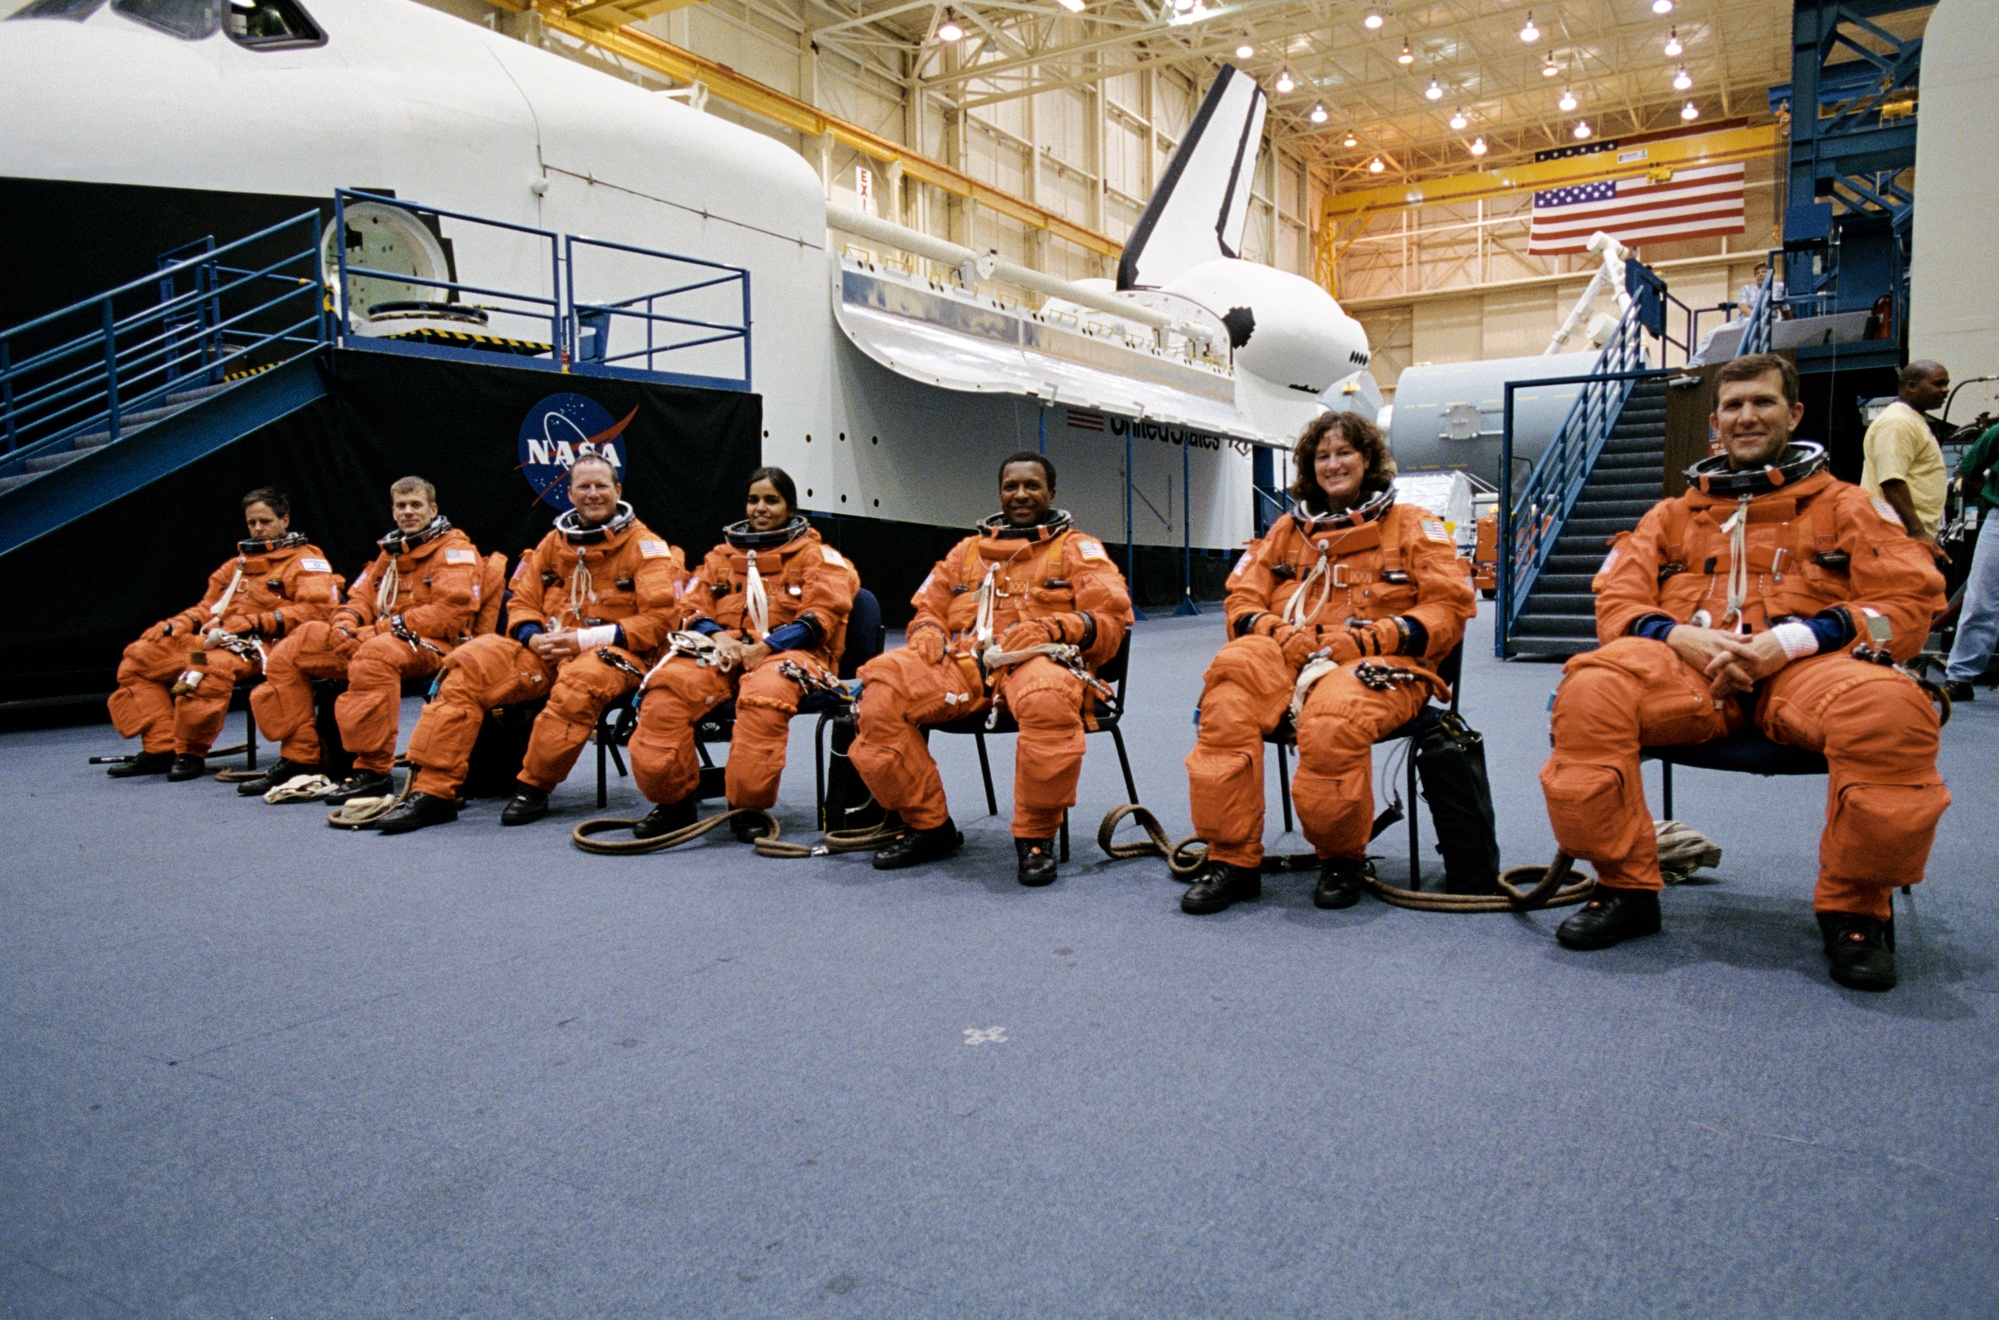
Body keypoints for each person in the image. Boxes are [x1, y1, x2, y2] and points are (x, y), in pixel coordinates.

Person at [1540, 353, 1949, 991]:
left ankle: (1856, 910)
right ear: (1715, 423)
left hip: (1812, 671)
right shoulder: (1670, 516)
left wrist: (1790, 641)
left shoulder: (1850, 507)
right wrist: (1680, 636)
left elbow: (1907, 607)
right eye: (1733, 406)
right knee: (1591, 691)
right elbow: (1616, 605)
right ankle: (1626, 887)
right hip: (1685, 670)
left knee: (1892, 714)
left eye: (1762, 402)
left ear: (1795, 413)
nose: (1747, 416)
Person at [1179, 412, 1475, 915]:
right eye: (1323, 456)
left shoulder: (1412, 526)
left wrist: (1372, 639)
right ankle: (1231, 858)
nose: (1333, 464)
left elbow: (1448, 608)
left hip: (1381, 665)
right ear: (1309, 467)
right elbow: (1240, 603)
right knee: (1227, 695)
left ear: (1368, 460)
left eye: (1344, 453)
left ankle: (1342, 858)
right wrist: (1277, 632)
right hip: (1287, 655)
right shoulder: (1285, 532)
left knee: (1332, 718)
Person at [849, 451, 1132, 886]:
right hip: (963, 665)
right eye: (1011, 486)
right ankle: (929, 827)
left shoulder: (1077, 548)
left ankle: (1036, 838)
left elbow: (1111, 619)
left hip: (1039, 661)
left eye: (1032, 486)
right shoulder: (967, 552)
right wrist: (926, 628)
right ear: (1000, 493)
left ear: (1051, 493)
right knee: (879, 698)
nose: (1020, 494)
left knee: (1046, 701)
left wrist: (1057, 625)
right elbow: (929, 605)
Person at [372, 454, 686, 834]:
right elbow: (520, 600)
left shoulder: (646, 546)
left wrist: (582, 639)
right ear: (569, 493)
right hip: (545, 650)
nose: (592, 494)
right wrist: (531, 636)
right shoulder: (553, 543)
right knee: (466, 665)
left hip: (616, 654)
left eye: (601, 485)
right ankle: (434, 792)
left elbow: (660, 621)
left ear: (617, 491)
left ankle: (534, 786)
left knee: (578, 685)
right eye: (583, 486)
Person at [625, 467, 859, 840]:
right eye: (754, 500)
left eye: (771, 500)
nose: (760, 508)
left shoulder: (820, 557)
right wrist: (719, 638)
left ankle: (747, 806)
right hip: (726, 651)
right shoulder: (720, 556)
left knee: (764, 697)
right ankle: (675, 804)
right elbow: (690, 608)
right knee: (665, 692)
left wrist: (766, 647)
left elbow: (823, 616)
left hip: (795, 655)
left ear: (790, 506)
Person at [241, 477, 483, 803]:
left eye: (415, 505)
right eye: (401, 505)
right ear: (393, 510)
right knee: (293, 647)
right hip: (381, 639)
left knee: (373, 655)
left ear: (433, 509)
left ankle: (373, 771)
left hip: (435, 645)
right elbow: (360, 599)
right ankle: (300, 758)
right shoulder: (390, 554)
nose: (408, 512)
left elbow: (449, 614)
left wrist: (377, 631)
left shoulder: (455, 550)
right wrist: (344, 625)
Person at [106, 488, 342, 781]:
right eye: (251, 523)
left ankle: (190, 753)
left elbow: (318, 611)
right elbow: (209, 607)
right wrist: (179, 624)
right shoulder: (237, 565)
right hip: (213, 640)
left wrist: (256, 621)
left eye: (265, 521)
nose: (257, 529)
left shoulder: (306, 561)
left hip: (264, 646)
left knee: (206, 669)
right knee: (139, 658)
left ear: (285, 520)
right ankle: (160, 747)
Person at [1861, 360, 1951, 555]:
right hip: (1896, 537)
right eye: (1938, 384)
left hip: (1904, 536)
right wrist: (1918, 532)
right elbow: (1892, 482)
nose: (1946, 390)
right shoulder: (1897, 422)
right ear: (1911, 386)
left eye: (1946, 384)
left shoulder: (1911, 419)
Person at [1942, 419, 1999, 703]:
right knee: (1981, 600)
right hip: (1998, 520)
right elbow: (1969, 470)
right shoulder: (1997, 433)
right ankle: (1960, 678)